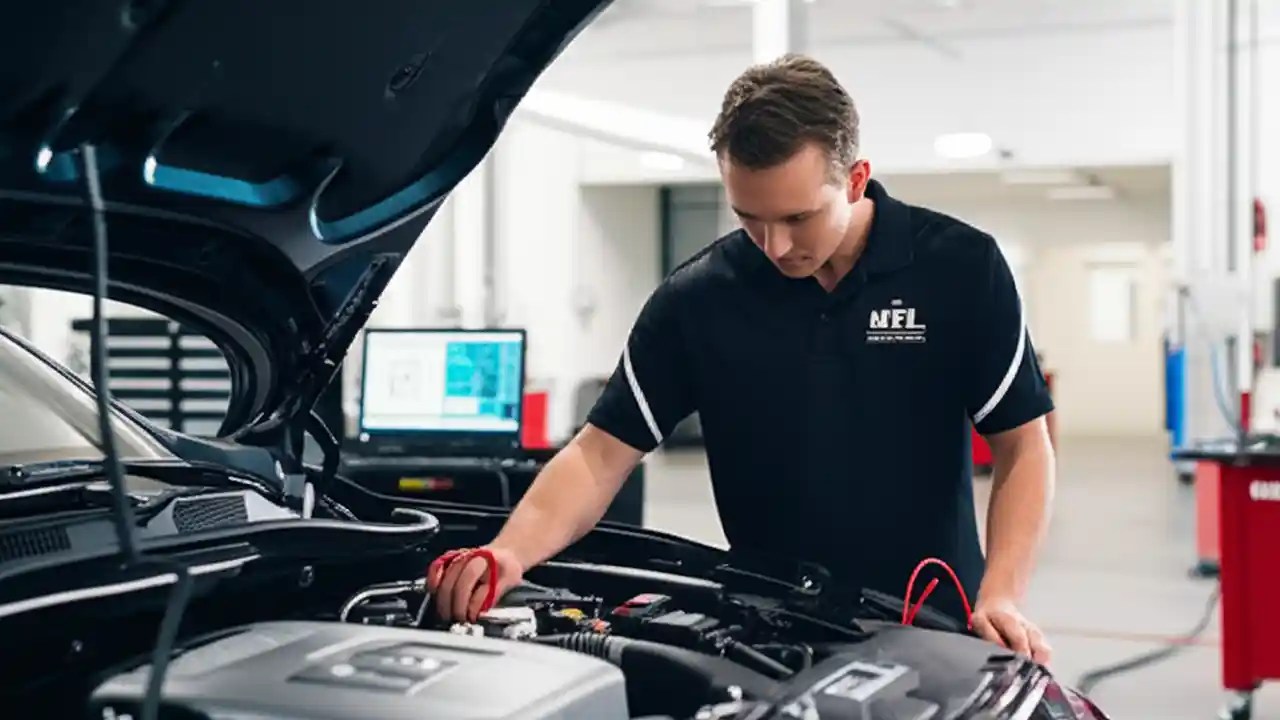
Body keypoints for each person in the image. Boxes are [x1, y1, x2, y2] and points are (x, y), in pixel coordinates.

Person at [429, 53, 1056, 664]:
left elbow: (1024, 445)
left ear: (856, 179)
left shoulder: (959, 270)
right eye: (749, 218)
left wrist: (1001, 593)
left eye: (798, 218)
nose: (775, 246)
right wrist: (510, 551)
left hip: (933, 622)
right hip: (767, 631)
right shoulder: (699, 298)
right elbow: (600, 454)